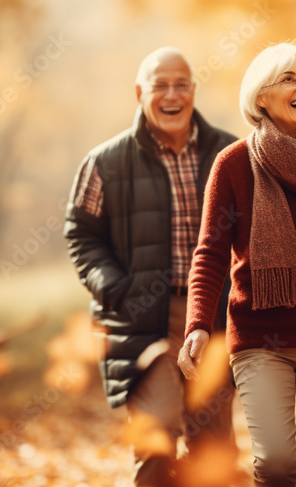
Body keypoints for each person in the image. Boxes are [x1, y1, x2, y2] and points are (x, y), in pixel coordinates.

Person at [178, 43, 296, 487]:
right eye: (288, 79)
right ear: (260, 97)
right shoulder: (233, 164)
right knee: (277, 463)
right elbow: (209, 253)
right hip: (260, 337)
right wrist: (198, 325)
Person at [63, 46, 238, 487]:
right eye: (160, 85)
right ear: (139, 93)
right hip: (142, 321)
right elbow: (81, 234)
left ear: (193, 91)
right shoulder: (105, 162)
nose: (172, 95)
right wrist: (115, 289)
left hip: (213, 318)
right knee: (156, 440)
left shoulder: (230, 153)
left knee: (213, 452)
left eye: (181, 84)